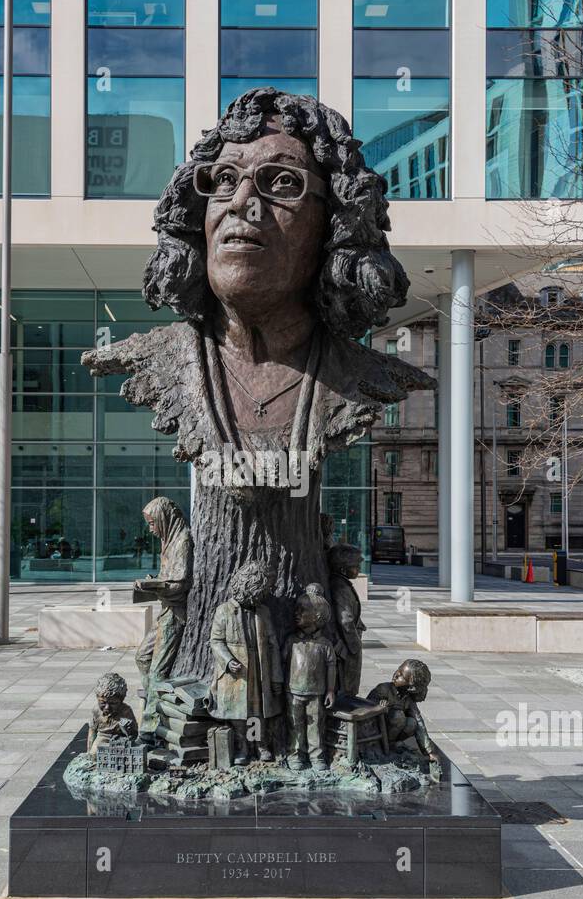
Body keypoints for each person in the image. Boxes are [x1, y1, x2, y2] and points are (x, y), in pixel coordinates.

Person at [82, 88, 432, 680]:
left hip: (307, 666)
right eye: (223, 180)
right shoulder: (156, 361)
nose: (243, 201)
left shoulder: (365, 378)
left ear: (336, 224)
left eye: (283, 184)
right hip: (200, 662)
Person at [208, 562, 284, 765]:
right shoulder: (224, 611)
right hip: (238, 672)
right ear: (251, 589)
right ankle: (242, 745)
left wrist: (276, 676)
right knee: (239, 711)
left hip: (259, 669)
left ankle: (258, 743)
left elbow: (273, 644)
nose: (265, 595)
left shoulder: (263, 612)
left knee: (257, 709)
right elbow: (216, 641)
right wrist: (228, 660)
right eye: (262, 590)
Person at [133, 497, 193, 741]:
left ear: (163, 519)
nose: (151, 529)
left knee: (158, 669)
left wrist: (153, 585)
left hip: (176, 614)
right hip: (165, 610)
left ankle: (150, 728)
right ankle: (152, 703)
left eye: (152, 523)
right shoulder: (169, 540)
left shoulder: (183, 540)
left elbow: (180, 584)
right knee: (142, 657)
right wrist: (153, 581)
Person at [283, 584, 336, 770]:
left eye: (302, 610)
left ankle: (317, 755)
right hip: (293, 691)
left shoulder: (325, 645)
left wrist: (330, 690)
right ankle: (295, 753)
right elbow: (281, 663)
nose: (296, 613)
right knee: (295, 724)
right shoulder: (291, 641)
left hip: (316, 693)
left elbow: (331, 667)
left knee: (315, 726)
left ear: (317, 616)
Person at [366, 659, 441, 775]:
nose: (396, 675)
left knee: (412, 723)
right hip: (375, 732)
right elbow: (365, 709)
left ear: (411, 687)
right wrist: (378, 709)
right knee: (398, 716)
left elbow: (419, 723)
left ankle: (392, 745)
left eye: (401, 676)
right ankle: (383, 747)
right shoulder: (383, 689)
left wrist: (429, 752)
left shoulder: (408, 699)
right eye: (398, 670)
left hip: (391, 735)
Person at [328, 543, 365, 696]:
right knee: (348, 677)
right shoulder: (340, 587)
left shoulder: (342, 583)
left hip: (349, 641)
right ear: (343, 568)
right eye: (356, 566)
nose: (359, 569)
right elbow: (345, 620)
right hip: (347, 644)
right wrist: (355, 646)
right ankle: (347, 699)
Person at [87, 672, 139, 757]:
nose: (107, 707)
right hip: (103, 737)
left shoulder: (126, 711)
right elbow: (92, 731)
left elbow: (135, 734)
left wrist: (129, 730)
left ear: (121, 701)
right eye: (103, 703)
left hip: (121, 740)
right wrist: (88, 751)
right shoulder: (96, 711)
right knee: (94, 755)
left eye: (113, 703)